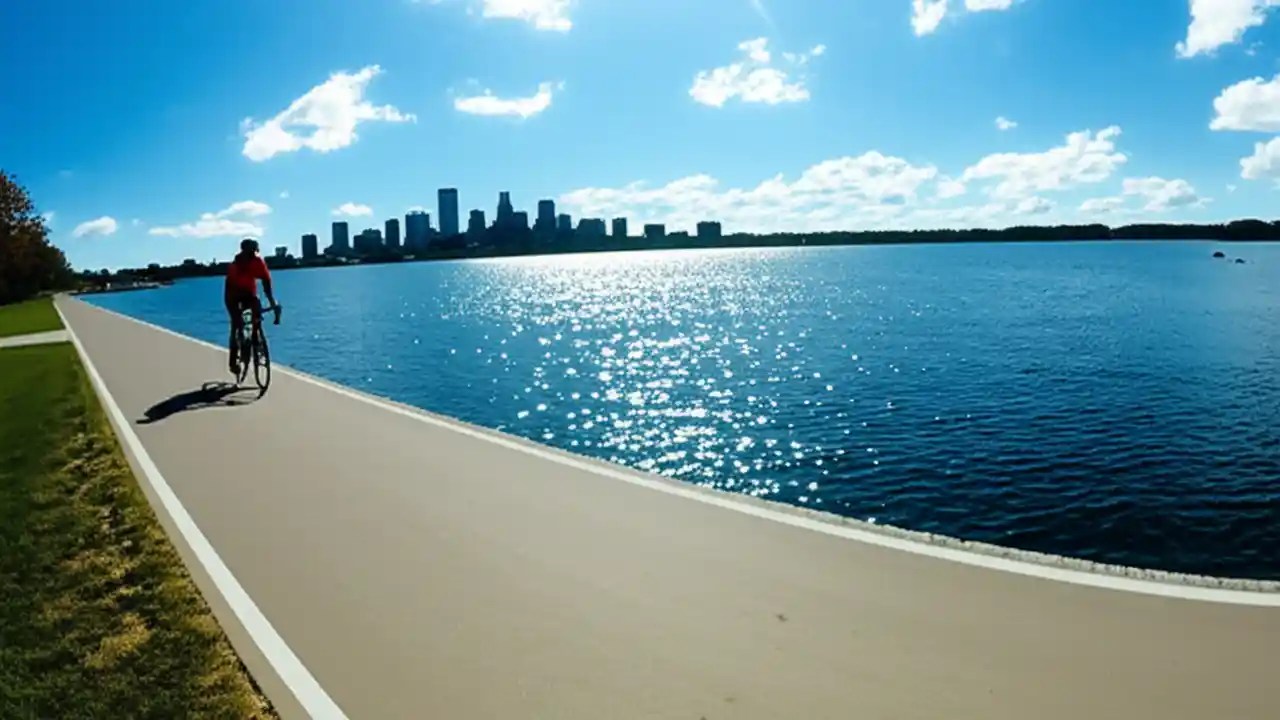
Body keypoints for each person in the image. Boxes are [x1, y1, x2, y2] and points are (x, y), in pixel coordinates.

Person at [225, 238, 277, 376]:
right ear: (243, 252)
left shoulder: (258, 262)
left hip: (249, 294)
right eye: (250, 253)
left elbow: (267, 285)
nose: (253, 255)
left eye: (254, 252)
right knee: (237, 325)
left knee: (255, 315)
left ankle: (255, 337)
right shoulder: (234, 266)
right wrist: (236, 315)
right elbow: (231, 290)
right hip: (233, 296)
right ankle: (233, 362)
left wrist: (273, 304)